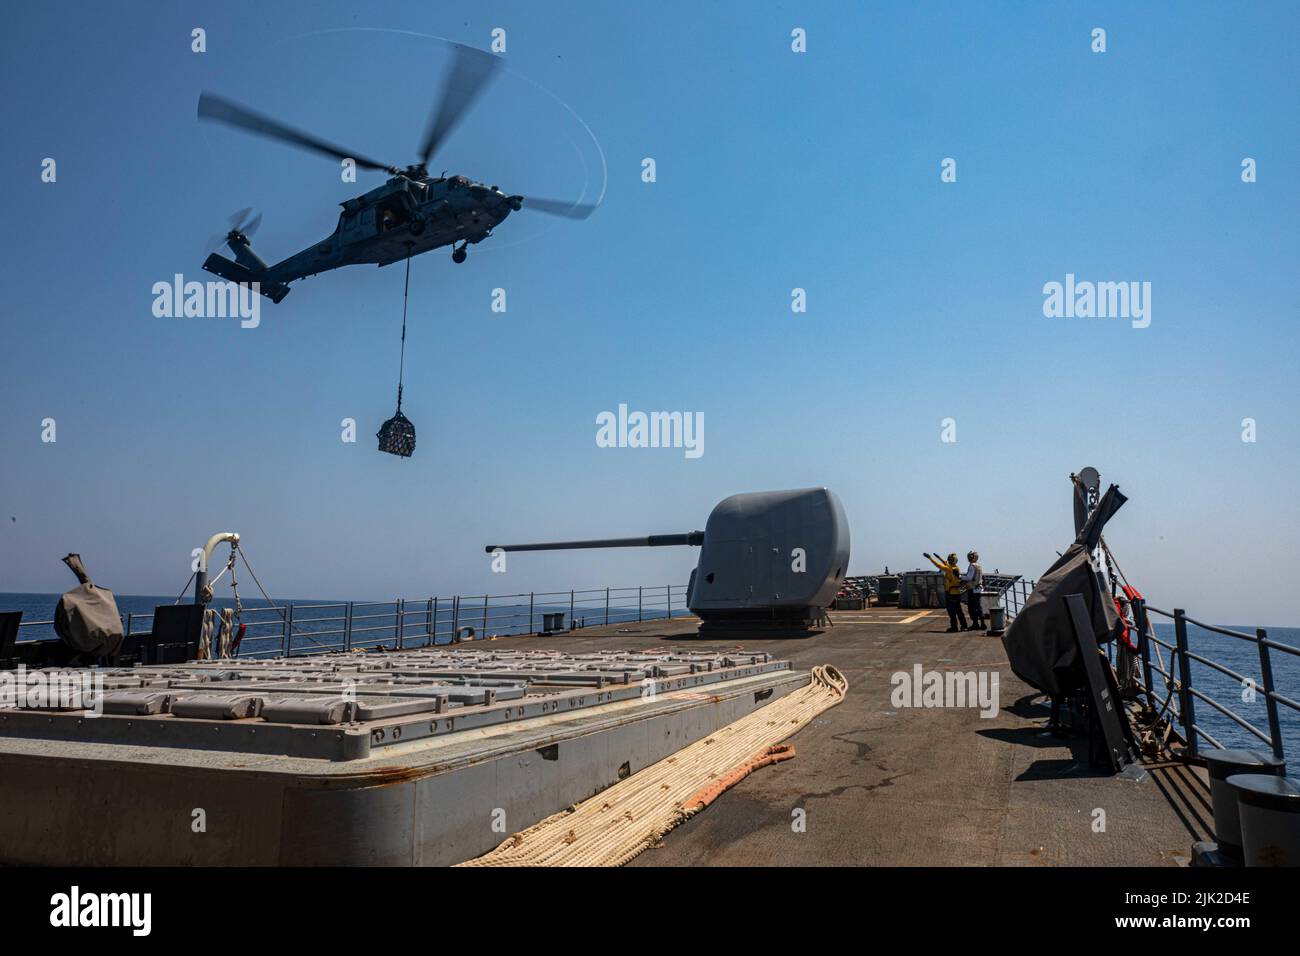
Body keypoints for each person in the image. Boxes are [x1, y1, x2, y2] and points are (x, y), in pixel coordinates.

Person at [924, 552, 968, 633]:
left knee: (952, 612)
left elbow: (939, 565)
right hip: (957, 593)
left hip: (951, 594)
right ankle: (964, 626)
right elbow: (945, 563)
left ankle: (954, 627)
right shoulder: (955, 568)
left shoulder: (948, 569)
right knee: (959, 611)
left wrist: (930, 558)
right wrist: (939, 557)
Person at [962, 551, 985, 632]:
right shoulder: (978, 565)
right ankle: (982, 623)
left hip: (973, 589)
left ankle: (975, 624)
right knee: (978, 607)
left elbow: (969, 577)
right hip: (978, 588)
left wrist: (959, 577)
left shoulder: (972, 566)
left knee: (972, 607)